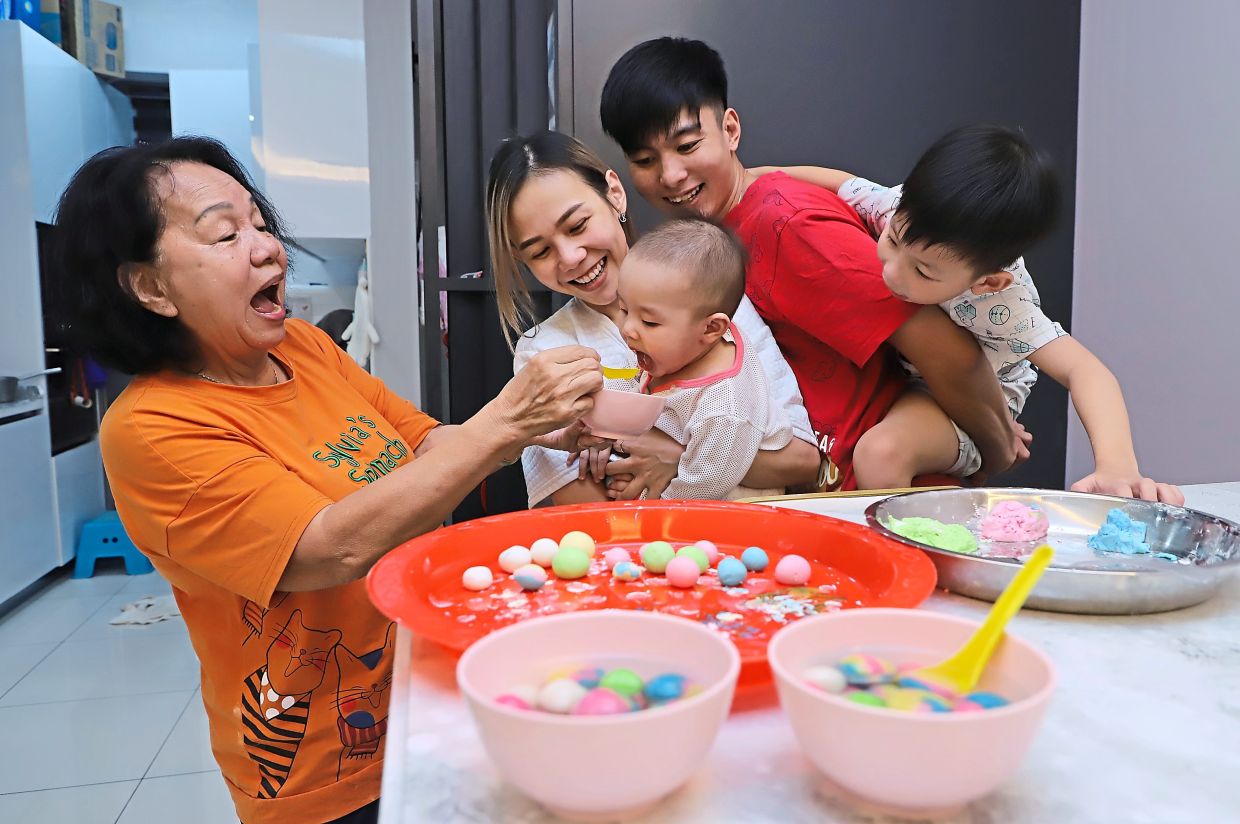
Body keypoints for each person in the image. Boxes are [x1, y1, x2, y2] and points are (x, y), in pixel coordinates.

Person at [50, 136, 601, 824]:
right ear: (152, 288)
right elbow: (325, 549)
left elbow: (426, 442)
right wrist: (507, 424)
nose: (266, 248)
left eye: (260, 223)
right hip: (323, 770)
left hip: (425, 696)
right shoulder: (151, 430)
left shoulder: (301, 347)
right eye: (225, 233)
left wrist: (545, 429)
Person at [600, 37, 1027, 491]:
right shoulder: (716, 233)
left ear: (729, 130)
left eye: (686, 146)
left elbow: (939, 342)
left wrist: (995, 450)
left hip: (877, 490)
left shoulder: (788, 225)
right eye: (645, 160)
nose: (669, 175)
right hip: (818, 493)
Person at [752, 125, 1183, 503]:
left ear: (986, 281)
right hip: (913, 380)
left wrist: (1117, 466)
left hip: (976, 402)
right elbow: (840, 181)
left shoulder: (1000, 306)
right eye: (893, 241)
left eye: (922, 271)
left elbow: (1088, 372)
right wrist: (755, 177)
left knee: (879, 453)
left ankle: (907, 568)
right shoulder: (906, 212)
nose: (891, 272)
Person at [485, 130, 822, 506]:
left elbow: (803, 461)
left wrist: (675, 453)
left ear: (614, 193)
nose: (570, 256)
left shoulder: (708, 293)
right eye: (540, 251)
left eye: (577, 225)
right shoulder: (546, 352)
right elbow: (585, 516)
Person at [616, 217, 799, 499]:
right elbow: (634, 383)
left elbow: (703, 485)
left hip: (729, 508)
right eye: (624, 309)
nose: (628, 328)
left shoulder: (725, 407)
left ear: (712, 328)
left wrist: (650, 513)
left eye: (649, 322)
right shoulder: (678, 349)